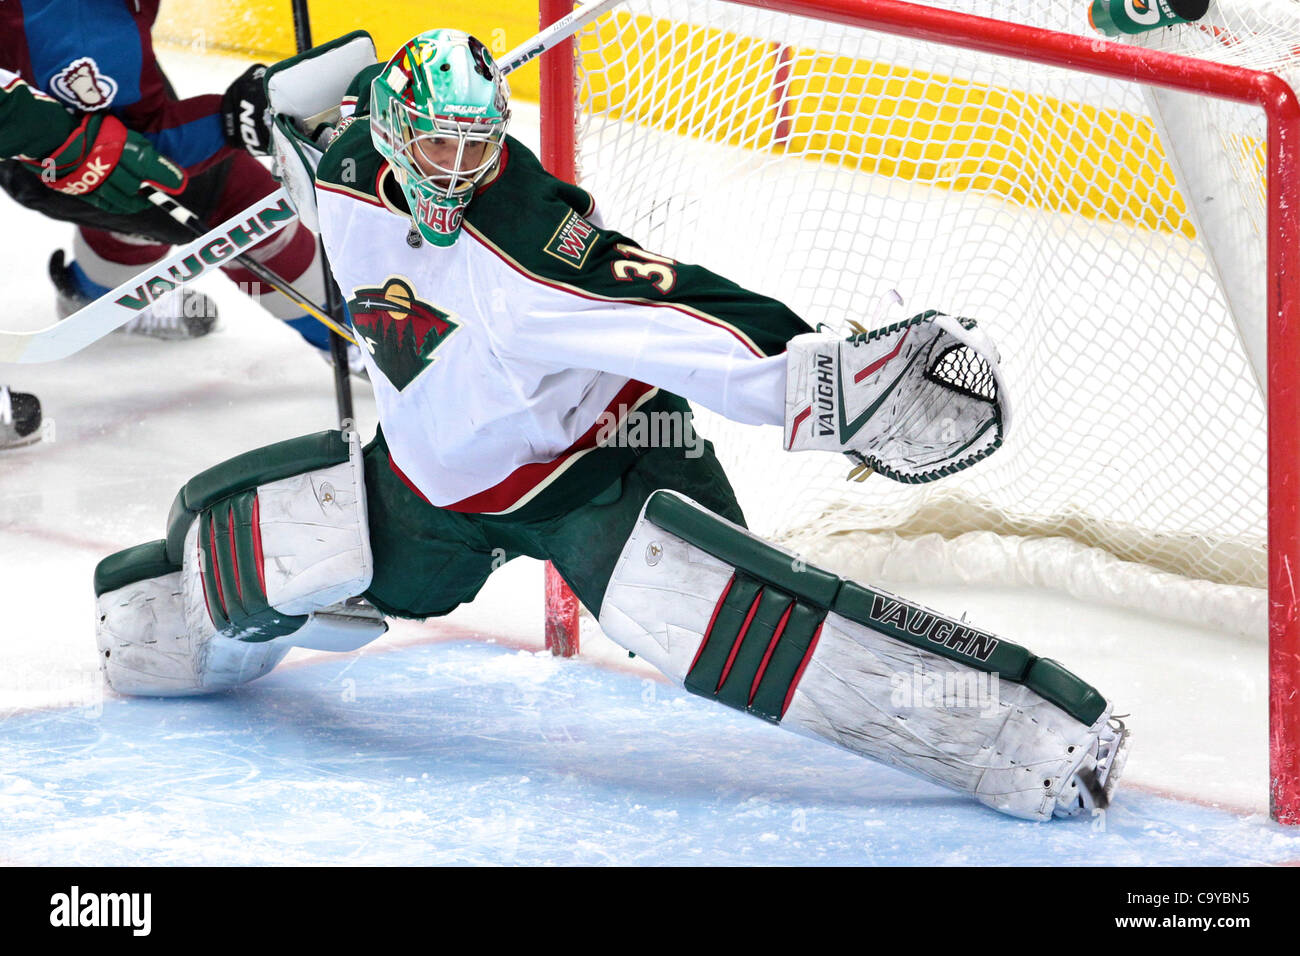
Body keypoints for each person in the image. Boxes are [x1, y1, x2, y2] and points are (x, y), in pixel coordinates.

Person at [90, 30, 1128, 822]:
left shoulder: (539, 252)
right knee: (303, 551)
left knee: (710, 616)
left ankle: (1013, 725)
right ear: (394, 132)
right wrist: (265, 114)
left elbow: (688, 316)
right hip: (432, 486)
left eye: (476, 144)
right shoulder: (350, 160)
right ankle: (159, 625)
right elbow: (326, 101)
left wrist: (825, 380)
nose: (456, 168)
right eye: (436, 143)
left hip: (605, 467)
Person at [0, 0, 352, 364]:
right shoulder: (78, 26)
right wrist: (234, 122)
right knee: (236, 203)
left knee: (147, 205)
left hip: (51, 89)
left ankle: (98, 291)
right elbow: (136, 150)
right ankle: (356, 337)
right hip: (34, 151)